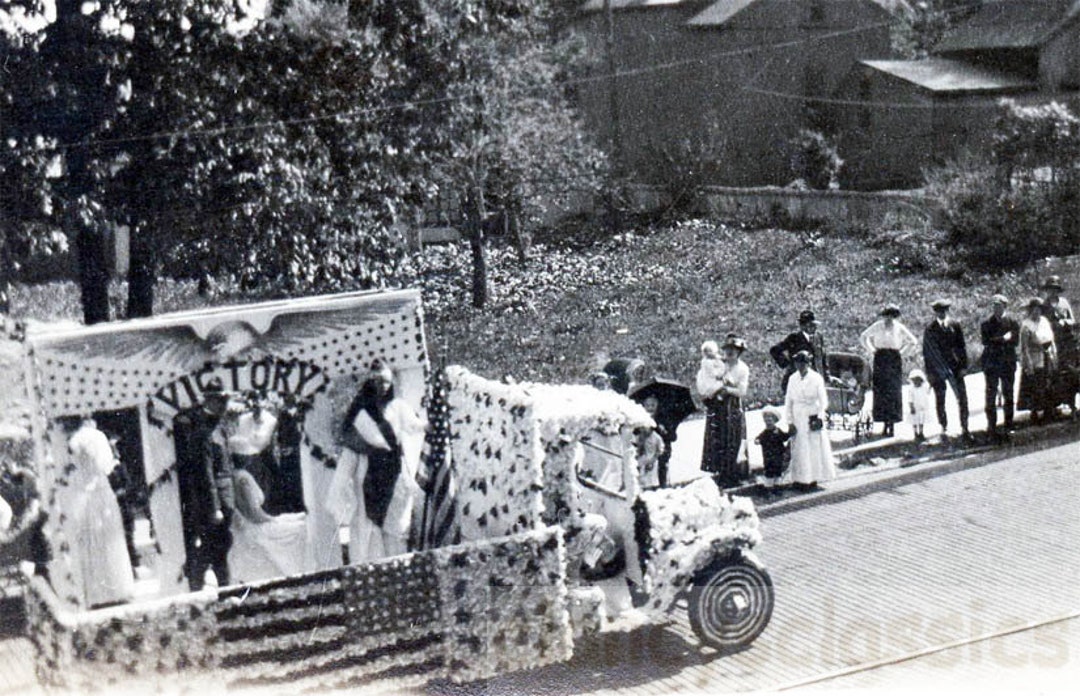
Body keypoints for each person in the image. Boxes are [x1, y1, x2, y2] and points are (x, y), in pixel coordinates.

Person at [327, 360, 427, 564]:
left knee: (398, 525)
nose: (383, 386)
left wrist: (431, 424)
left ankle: (400, 563)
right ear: (371, 382)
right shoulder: (361, 412)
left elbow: (415, 425)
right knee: (369, 526)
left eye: (387, 382)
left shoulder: (399, 406)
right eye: (379, 381)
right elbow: (351, 442)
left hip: (395, 471)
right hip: (370, 473)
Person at [63, 417, 135, 608]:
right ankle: (116, 588)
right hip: (100, 489)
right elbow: (106, 465)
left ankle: (96, 592)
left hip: (82, 490)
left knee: (91, 541)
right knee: (109, 538)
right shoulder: (98, 436)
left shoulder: (73, 439)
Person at [173, 377, 234, 590]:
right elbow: (205, 473)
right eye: (220, 400)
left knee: (220, 547)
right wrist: (214, 507)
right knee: (214, 548)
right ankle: (201, 586)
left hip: (226, 499)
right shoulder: (202, 431)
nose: (224, 405)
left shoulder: (220, 427)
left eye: (225, 400)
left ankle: (220, 588)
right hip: (213, 503)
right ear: (209, 401)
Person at [227, 461, 306, 584]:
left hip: (252, 526)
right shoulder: (242, 478)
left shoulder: (234, 476)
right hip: (256, 528)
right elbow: (254, 514)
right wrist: (274, 520)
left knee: (298, 518)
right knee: (300, 527)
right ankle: (301, 568)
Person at [697, 336, 750, 488]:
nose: (729, 353)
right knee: (717, 438)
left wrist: (727, 389)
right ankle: (719, 471)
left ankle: (734, 473)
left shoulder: (742, 368)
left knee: (733, 438)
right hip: (717, 406)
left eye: (733, 351)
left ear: (739, 352)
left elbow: (742, 391)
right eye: (727, 350)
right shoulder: (719, 363)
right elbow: (706, 376)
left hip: (732, 406)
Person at [860, 304, 919, 437]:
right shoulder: (877, 326)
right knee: (881, 390)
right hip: (880, 358)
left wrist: (901, 353)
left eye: (892, 316)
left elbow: (913, 341)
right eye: (886, 315)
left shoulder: (899, 327)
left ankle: (891, 424)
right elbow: (863, 337)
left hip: (893, 359)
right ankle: (883, 423)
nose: (889, 319)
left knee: (893, 390)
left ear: (895, 316)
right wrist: (872, 350)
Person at [784, 351, 835, 491]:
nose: (800, 366)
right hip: (798, 415)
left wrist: (819, 416)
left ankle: (812, 479)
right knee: (799, 448)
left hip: (812, 414)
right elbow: (788, 400)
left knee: (813, 448)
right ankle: (799, 479)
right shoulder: (792, 378)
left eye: (803, 363)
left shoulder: (816, 378)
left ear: (809, 363)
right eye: (798, 363)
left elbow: (823, 401)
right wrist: (789, 420)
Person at [923, 299, 971, 441]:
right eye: (939, 311)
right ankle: (943, 427)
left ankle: (965, 427)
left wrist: (963, 367)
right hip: (937, 369)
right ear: (935, 312)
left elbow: (962, 347)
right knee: (940, 399)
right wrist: (930, 373)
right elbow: (927, 353)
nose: (941, 313)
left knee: (962, 398)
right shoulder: (930, 329)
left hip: (955, 367)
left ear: (948, 311)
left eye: (944, 310)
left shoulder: (955, 325)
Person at [980, 294, 1020, 441]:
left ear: (1005, 306)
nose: (996, 308)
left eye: (999, 306)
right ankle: (992, 426)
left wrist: (1001, 340)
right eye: (994, 306)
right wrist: (1003, 339)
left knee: (1008, 394)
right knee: (991, 395)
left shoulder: (1012, 322)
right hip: (992, 363)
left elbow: (1015, 342)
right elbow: (986, 341)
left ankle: (1009, 424)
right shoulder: (986, 324)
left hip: (1008, 362)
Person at [1041, 276, 1078, 417]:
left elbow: (1072, 320)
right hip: (1052, 343)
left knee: (1070, 374)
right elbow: (1041, 323)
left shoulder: (1064, 303)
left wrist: (1065, 322)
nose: (1052, 292)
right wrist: (1053, 325)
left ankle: (1072, 405)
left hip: (1066, 344)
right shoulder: (1044, 306)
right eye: (1050, 289)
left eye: (1055, 289)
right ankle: (1053, 407)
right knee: (1053, 375)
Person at [770, 309, 828, 395]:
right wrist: (787, 363)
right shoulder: (794, 338)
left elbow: (822, 358)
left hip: (814, 381)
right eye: (810, 325)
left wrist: (826, 376)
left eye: (814, 325)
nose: (814, 328)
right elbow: (774, 350)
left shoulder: (818, 337)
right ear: (802, 326)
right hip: (796, 383)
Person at [1019, 297, 1058, 424]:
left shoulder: (1044, 321)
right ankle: (1034, 413)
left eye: (1039, 309)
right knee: (1035, 386)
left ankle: (1048, 412)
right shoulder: (1026, 325)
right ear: (1030, 310)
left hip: (1047, 355)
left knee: (1048, 383)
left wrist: (1054, 354)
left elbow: (1051, 339)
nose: (1037, 312)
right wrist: (1028, 363)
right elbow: (1024, 347)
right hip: (1034, 356)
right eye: (1034, 309)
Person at [754, 407, 792, 496]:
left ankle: (777, 487)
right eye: (766, 420)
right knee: (769, 472)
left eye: (770, 419)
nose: (768, 422)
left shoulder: (778, 431)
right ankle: (768, 488)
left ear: (775, 421)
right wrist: (757, 440)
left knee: (778, 472)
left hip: (778, 455)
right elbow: (759, 438)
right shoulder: (765, 433)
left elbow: (784, 437)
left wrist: (790, 434)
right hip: (768, 456)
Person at [906, 369, 931, 442]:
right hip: (915, 408)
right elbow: (910, 399)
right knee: (914, 421)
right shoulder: (911, 389)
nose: (916, 382)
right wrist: (911, 407)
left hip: (922, 408)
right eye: (914, 380)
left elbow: (928, 392)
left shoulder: (924, 388)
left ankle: (921, 432)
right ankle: (915, 433)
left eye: (918, 380)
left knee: (921, 421)